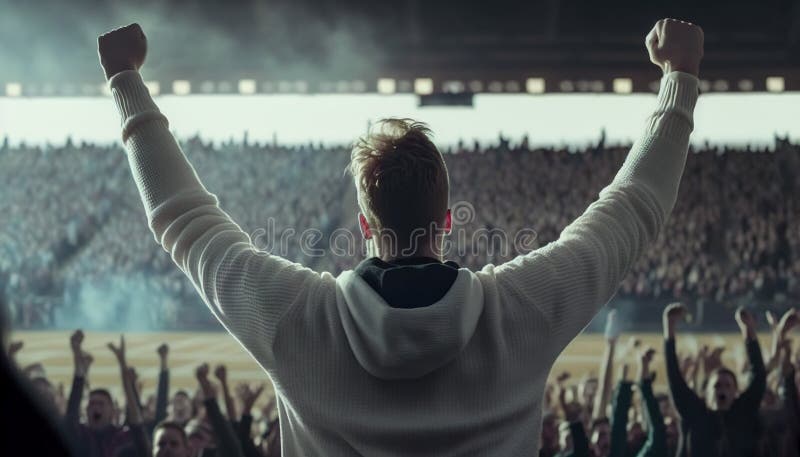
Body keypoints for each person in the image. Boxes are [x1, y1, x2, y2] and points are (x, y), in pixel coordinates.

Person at [97, 18, 703, 455]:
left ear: (364, 225)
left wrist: (126, 79)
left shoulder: (298, 319)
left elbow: (184, 221)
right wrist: (680, 76)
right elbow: (632, 210)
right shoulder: (518, 312)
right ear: (446, 220)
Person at [663, 303, 774, 457]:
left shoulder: (743, 412)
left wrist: (748, 331)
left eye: (728, 385)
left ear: (736, 392)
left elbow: (759, 378)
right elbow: (674, 380)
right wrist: (669, 327)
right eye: (717, 386)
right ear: (707, 393)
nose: (722, 389)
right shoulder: (695, 414)